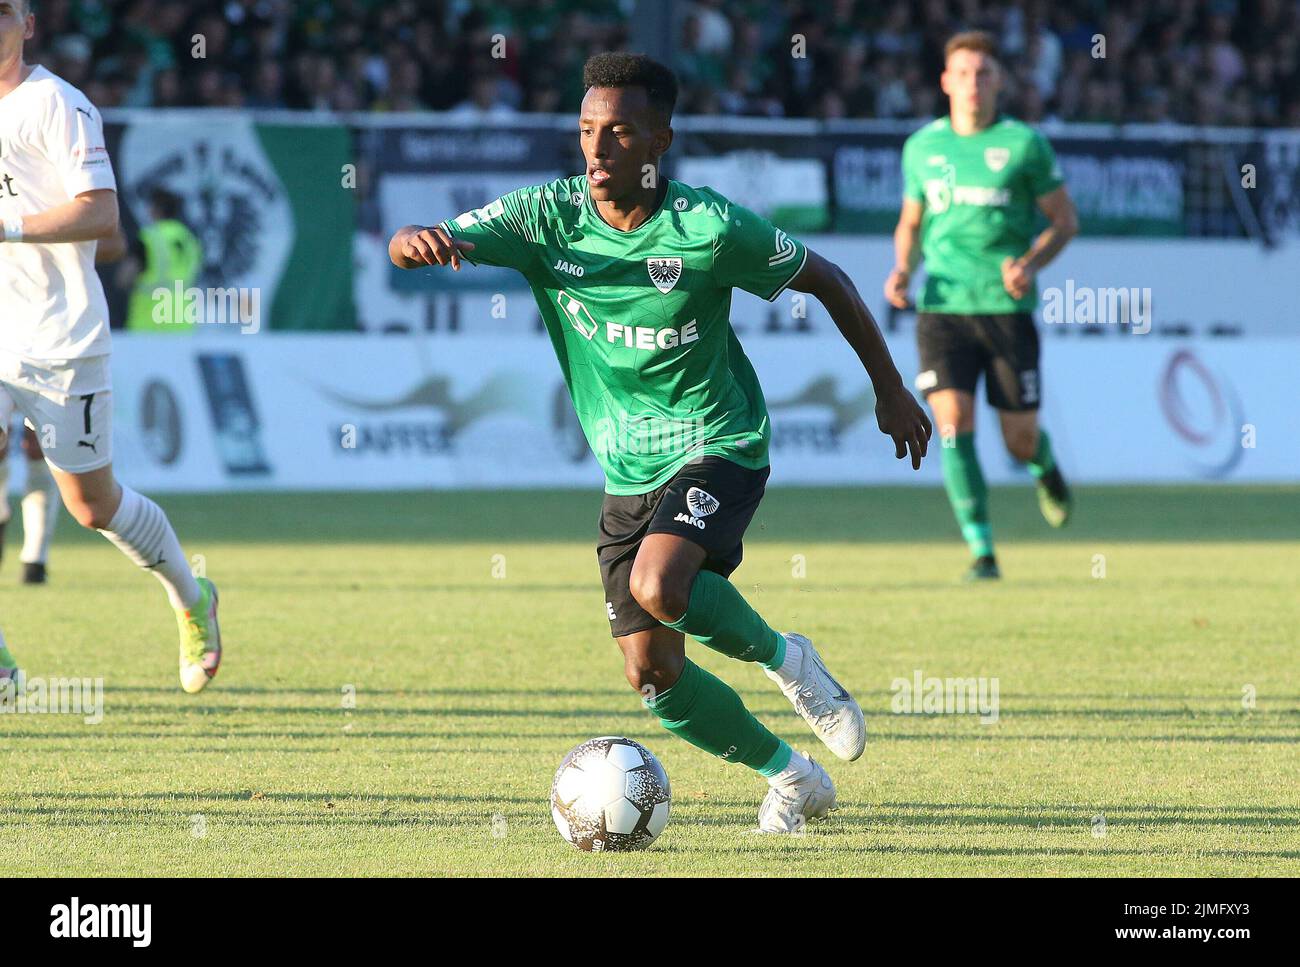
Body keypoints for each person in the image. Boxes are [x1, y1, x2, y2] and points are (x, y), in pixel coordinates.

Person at [389, 53, 932, 832]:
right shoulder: (545, 219)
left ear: (659, 142)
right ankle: (792, 777)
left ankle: (789, 660)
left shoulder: (708, 228)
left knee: (660, 584)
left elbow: (831, 281)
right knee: (654, 676)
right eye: (587, 131)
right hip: (627, 472)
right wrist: (415, 240)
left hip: (721, 440)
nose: (598, 150)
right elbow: (423, 237)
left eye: (619, 133)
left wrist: (889, 389)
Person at [0, 0, 221, 692]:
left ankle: (192, 595)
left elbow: (101, 212)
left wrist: (8, 226)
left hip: (61, 335)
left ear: (28, 22)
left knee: (92, 506)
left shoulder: (57, 104)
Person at [886, 30, 1078, 581]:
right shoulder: (922, 147)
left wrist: (1031, 264)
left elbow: (1065, 222)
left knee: (1016, 441)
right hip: (942, 306)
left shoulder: (1024, 145)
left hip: (1005, 309)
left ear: (1000, 81)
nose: (974, 83)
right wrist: (903, 268)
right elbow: (912, 222)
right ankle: (982, 549)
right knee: (952, 422)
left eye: (984, 73)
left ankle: (1044, 465)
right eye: (964, 73)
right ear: (946, 82)